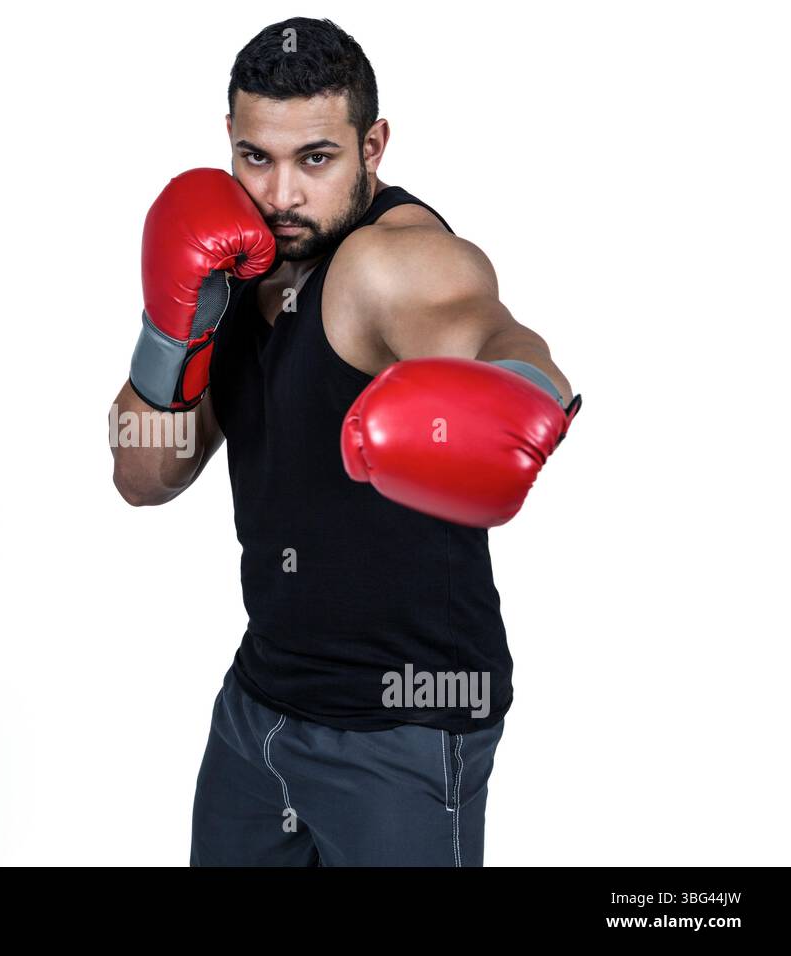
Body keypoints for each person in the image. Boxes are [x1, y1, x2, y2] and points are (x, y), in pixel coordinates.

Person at [109, 17, 580, 866]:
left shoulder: (387, 263)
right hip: (258, 710)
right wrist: (174, 333)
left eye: (316, 159)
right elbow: (143, 476)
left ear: (374, 145)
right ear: (229, 140)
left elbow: (492, 331)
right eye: (257, 157)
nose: (281, 194)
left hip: (401, 733)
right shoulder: (233, 263)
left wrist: (522, 387)